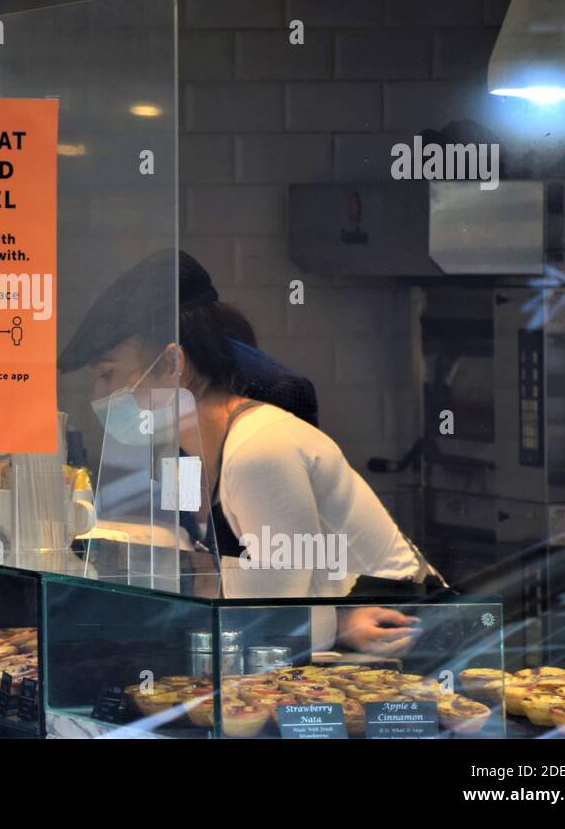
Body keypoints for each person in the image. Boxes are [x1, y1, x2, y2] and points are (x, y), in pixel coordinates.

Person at [59, 250, 441, 657]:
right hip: (334, 648)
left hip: (408, 640)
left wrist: (335, 625)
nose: (98, 395)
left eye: (107, 374)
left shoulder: (258, 451)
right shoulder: (182, 459)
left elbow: (277, 621)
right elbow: (204, 577)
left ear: (172, 364)